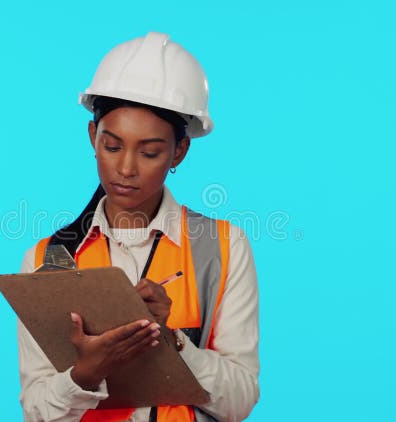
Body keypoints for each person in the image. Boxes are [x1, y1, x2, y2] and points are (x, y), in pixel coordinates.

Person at [17, 32, 260, 422]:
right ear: (93, 138)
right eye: (112, 147)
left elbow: (240, 401)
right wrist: (86, 373)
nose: (126, 169)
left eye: (149, 152)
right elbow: (37, 411)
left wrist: (172, 341)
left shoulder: (224, 247)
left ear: (179, 151)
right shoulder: (50, 259)